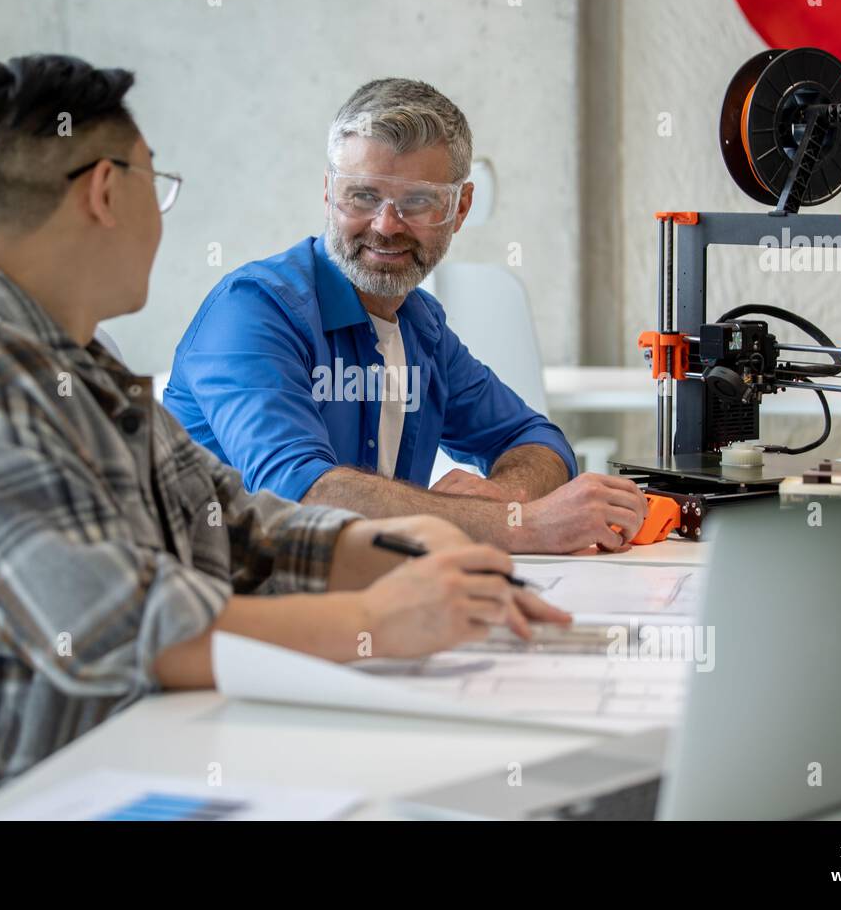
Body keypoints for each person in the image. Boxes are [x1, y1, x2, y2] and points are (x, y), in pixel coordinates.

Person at [0, 56, 568, 820]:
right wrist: (379, 620)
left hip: (163, 743)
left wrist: (401, 548)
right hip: (66, 791)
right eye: (160, 185)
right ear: (107, 192)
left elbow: (232, 523)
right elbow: (113, 631)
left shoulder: (78, 361)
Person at [164, 78, 646, 555]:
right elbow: (303, 494)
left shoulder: (420, 326)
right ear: (329, 194)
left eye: (418, 200)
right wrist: (521, 526)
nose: (386, 225)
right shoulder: (252, 310)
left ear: (459, 208)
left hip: (370, 604)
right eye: (363, 196)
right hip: (231, 618)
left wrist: (510, 498)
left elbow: (533, 438)